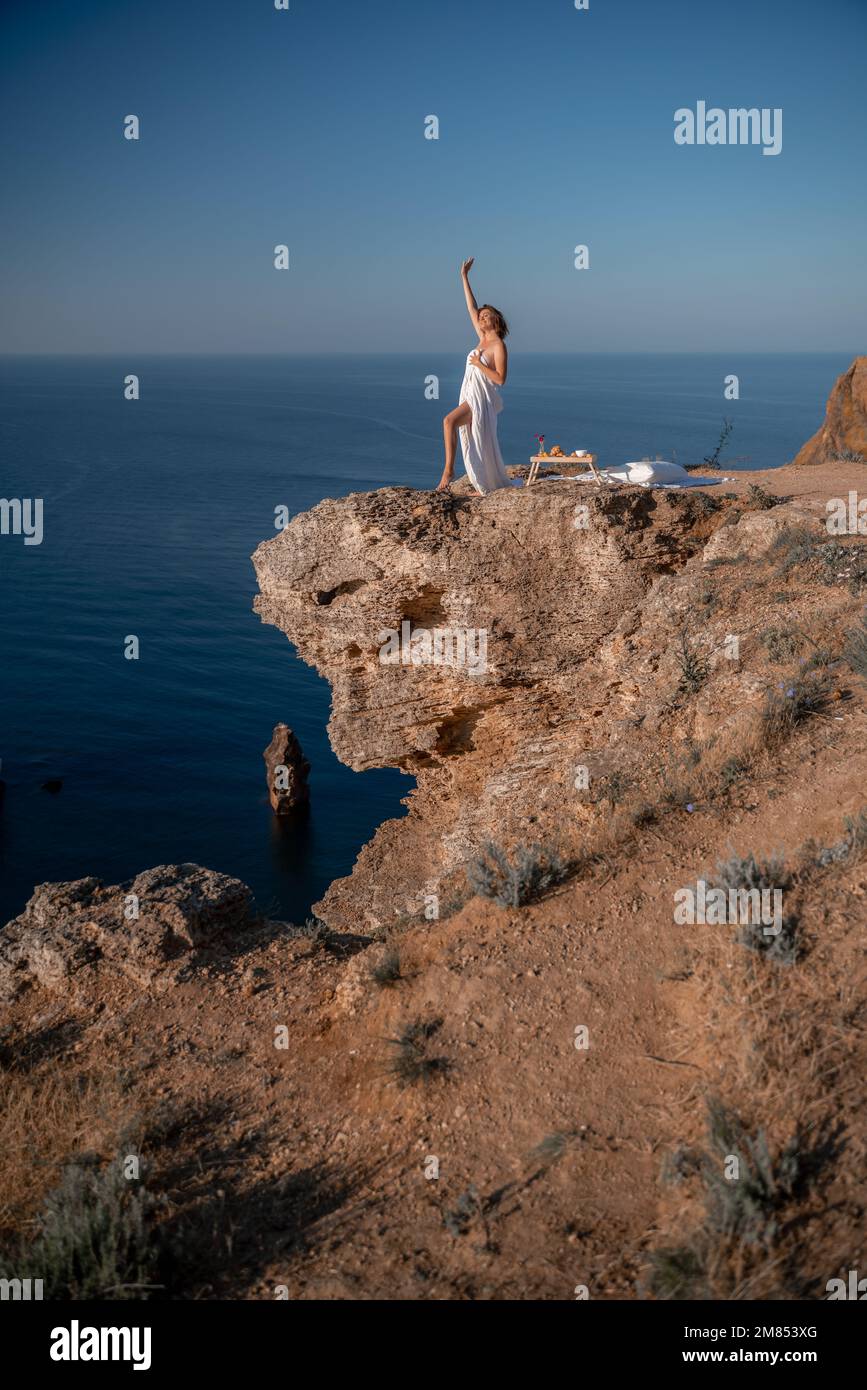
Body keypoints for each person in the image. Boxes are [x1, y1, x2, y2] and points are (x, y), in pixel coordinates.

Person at [435, 259, 513, 494]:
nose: (481, 317)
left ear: (496, 321)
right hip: (470, 394)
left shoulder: (498, 345)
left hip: (481, 399)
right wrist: (464, 277)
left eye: (486, 316)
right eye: (482, 316)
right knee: (463, 433)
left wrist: (479, 364)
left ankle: (448, 470)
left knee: (448, 421)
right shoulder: (481, 336)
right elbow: (471, 307)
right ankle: (453, 470)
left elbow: (500, 379)